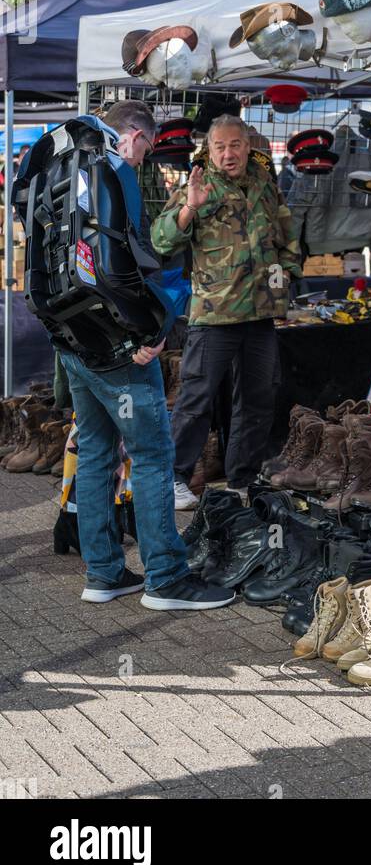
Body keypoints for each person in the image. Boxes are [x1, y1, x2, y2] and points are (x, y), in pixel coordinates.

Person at [57, 101, 236, 610]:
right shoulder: (116, 173)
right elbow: (122, 265)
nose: (145, 158)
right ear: (134, 136)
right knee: (154, 455)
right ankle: (166, 578)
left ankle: (105, 573)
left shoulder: (70, 172)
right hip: (116, 346)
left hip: (73, 338)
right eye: (148, 147)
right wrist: (146, 332)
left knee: (95, 452)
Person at [151, 114, 301, 507]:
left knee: (257, 399)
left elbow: (288, 236)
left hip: (261, 314)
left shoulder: (265, 184)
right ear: (210, 150)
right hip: (214, 313)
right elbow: (162, 240)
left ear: (247, 146)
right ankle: (175, 478)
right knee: (196, 399)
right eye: (219, 147)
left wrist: (285, 278)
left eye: (235, 145)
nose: (228, 153)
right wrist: (189, 209)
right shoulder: (199, 185)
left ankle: (243, 479)